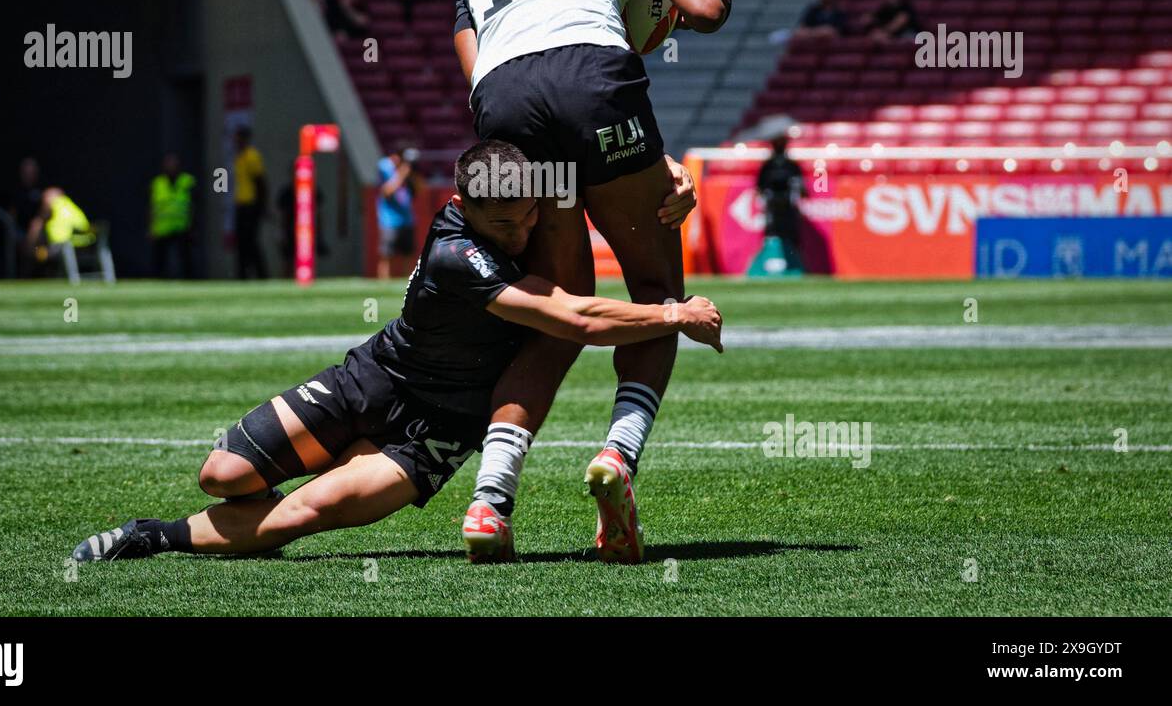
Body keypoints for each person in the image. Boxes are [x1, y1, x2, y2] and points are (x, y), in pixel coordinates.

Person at [69, 140, 722, 564]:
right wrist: (675, 312)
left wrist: (664, 168)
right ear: (462, 205)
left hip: (440, 430)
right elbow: (574, 317)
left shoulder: (514, 196)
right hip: (376, 379)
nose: (524, 233)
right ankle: (256, 514)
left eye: (530, 218)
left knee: (303, 513)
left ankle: (154, 534)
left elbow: (590, 145)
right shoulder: (454, 254)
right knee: (222, 476)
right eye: (505, 224)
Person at [452, 0, 731, 563]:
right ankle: (616, 458)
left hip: (502, 101)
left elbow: (478, 63)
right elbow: (704, 6)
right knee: (654, 298)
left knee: (558, 312)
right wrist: (671, 11)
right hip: (594, 81)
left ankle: (489, 500)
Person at [757, 134, 805, 267]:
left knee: (791, 233)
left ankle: (794, 263)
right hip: (772, 206)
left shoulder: (791, 165)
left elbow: (801, 186)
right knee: (771, 233)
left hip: (788, 206)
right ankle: (770, 262)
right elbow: (759, 186)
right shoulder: (768, 165)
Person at [149, 152, 195, 279]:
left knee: (185, 259)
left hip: (181, 226)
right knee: (159, 261)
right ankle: (158, 282)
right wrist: (151, 227)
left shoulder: (187, 181)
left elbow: (193, 205)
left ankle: (189, 282)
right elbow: (152, 207)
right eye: (168, 164)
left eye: (173, 163)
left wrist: (192, 225)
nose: (171, 166)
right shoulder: (158, 183)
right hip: (162, 228)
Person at [376, 146, 418, 280]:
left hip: (407, 218)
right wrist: (401, 175)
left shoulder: (408, 171)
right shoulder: (385, 168)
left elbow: (420, 190)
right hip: (389, 219)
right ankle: (383, 284)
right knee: (387, 255)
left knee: (408, 254)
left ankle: (409, 283)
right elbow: (386, 192)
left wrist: (412, 174)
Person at [232, 126, 268, 280]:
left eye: (238, 138)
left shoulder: (252, 157)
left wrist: (261, 207)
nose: (235, 141)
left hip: (251, 205)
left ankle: (261, 275)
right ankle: (242, 275)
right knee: (242, 243)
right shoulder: (239, 158)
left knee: (251, 242)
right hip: (241, 205)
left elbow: (261, 183)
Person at [8, 156, 44, 277]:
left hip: (39, 233)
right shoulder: (17, 191)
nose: (29, 175)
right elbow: (12, 214)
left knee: (36, 230)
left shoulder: (42, 189)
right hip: (20, 232)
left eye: (31, 172)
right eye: (26, 172)